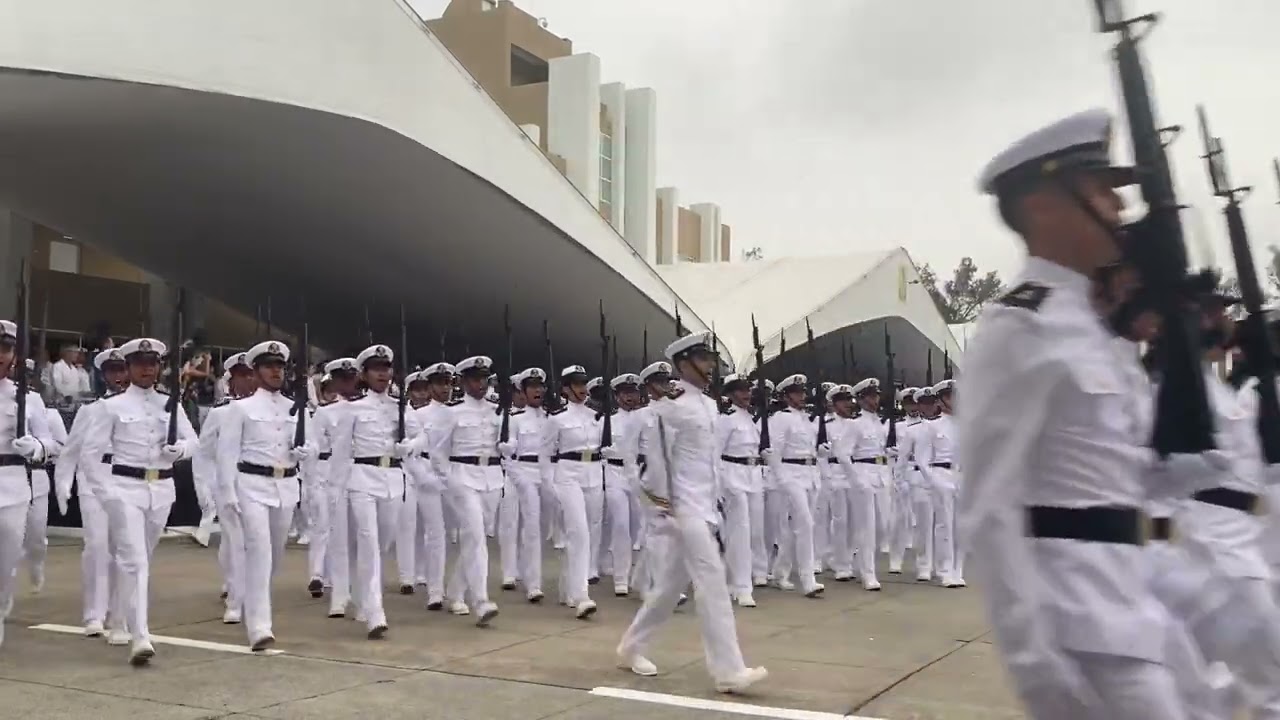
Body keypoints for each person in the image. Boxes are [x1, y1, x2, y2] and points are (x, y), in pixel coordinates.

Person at [960, 107, 1188, 719]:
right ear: (1042, 205)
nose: (1118, 209)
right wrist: (1031, 657)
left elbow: (1123, 474)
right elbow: (988, 504)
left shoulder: (1093, 329)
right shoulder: (1018, 326)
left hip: (1133, 599)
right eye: (1102, 191)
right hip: (1080, 622)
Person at [616, 330, 768, 694]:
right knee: (713, 580)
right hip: (684, 510)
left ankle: (631, 646)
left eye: (711, 360)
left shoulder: (709, 405)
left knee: (669, 588)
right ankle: (729, 671)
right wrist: (660, 509)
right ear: (683, 365)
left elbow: (708, 463)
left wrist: (715, 501)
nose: (710, 366)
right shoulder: (671, 407)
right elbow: (655, 464)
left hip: (704, 506)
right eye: (703, 360)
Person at [82, 337, 197, 665]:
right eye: (140, 363)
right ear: (129, 368)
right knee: (135, 561)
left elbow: (194, 442)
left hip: (161, 490)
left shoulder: (169, 404)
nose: (147, 368)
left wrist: (180, 451)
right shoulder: (111, 406)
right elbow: (91, 457)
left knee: (138, 558)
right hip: (125, 489)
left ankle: (118, 617)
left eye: (153, 363)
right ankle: (140, 634)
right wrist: (107, 496)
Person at [328, 344, 418, 638]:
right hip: (361, 478)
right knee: (367, 541)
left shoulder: (400, 407)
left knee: (382, 544)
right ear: (364, 374)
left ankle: (364, 595)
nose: (383, 374)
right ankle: (375, 611)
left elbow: (423, 435)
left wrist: (411, 446)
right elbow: (341, 453)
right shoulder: (353, 408)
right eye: (377, 369)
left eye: (387, 368)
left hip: (391, 478)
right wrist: (335, 491)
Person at [55, 346, 129, 636]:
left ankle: (118, 610)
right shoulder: (90, 410)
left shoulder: (143, 407)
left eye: (122, 369)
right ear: (104, 376)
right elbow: (71, 451)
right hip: (94, 479)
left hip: (127, 480)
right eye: (112, 371)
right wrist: (63, 482)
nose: (118, 376)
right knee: (97, 546)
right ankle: (94, 614)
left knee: (123, 547)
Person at [431, 356, 502, 625]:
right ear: (462, 381)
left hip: (492, 478)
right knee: (474, 535)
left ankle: (455, 592)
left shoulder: (497, 410)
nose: (480, 384)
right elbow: (438, 453)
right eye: (474, 378)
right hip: (463, 478)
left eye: (484, 378)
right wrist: (450, 480)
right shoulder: (451, 412)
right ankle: (481, 600)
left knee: (477, 538)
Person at [0, 320, 53, 649]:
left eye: (5, 349)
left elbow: (49, 444)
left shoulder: (28, 400)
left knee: (5, 560)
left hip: (12, 486)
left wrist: (33, 446)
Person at [541, 364, 602, 618]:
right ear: (565, 389)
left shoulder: (596, 416)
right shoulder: (556, 419)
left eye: (583, 383)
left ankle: (567, 587)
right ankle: (582, 595)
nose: (581, 389)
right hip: (568, 475)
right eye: (576, 384)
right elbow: (545, 456)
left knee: (588, 531)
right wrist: (550, 486)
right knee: (579, 533)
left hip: (594, 473)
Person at [197, 351, 253, 624]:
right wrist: (204, 488)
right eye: (241, 376)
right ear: (231, 382)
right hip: (227, 482)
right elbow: (204, 452)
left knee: (256, 543)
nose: (247, 381)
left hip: (259, 483)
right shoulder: (220, 413)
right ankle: (235, 596)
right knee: (234, 540)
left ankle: (246, 586)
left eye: (250, 374)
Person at [765, 374, 824, 597]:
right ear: (787, 396)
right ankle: (808, 579)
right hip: (790, 475)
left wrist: (821, 452)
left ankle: (780, 571)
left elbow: (811, 448)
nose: (802, 396)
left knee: (798, 527)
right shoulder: (781, 418)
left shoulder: (807, 419)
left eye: (803, 392)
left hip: (810, 475)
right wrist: (781, 479)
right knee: (806, 524)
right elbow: (775, 452)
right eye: (797, 393)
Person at [498, 366, 549, 603]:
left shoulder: (550, 418)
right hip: (517, 472)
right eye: (532, 387)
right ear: (522, 391)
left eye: (540, 387)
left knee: (534, 529)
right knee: (510, 524)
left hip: (542, 474)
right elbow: (507, 451)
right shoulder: (514, 419)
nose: (537, 391)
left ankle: (532, 579)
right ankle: (510, 573)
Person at [715, 373, 768, 605]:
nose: (746, 394)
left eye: (748, 390)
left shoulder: (751, 418)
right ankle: (742, 587)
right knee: (739, 532)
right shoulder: (726, 419)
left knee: (754, 529)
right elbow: (714, 454)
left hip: (753, 476)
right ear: (730, 394)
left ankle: (731, 579)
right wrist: (717, 487)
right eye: (740, 390)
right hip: (732, 475)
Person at [407, 362, 454, 609]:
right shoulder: (418, 415)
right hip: (428, 476)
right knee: (434, 532)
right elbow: (412, 452)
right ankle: (436, 591)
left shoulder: (457, 413)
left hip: (453, 476)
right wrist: (423, 476)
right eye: (439, 383)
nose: (444, 388)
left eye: (447, 382)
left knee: (455, 532)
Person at [916, 379, 964, 588]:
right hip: (941, 474)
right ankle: (944, 570)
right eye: (950, 396)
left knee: (961, 527)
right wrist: (934, 480)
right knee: (944, 525)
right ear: (941, 401)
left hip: (961, 475)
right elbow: (921, 459)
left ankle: (958, 570)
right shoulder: (932, 427)